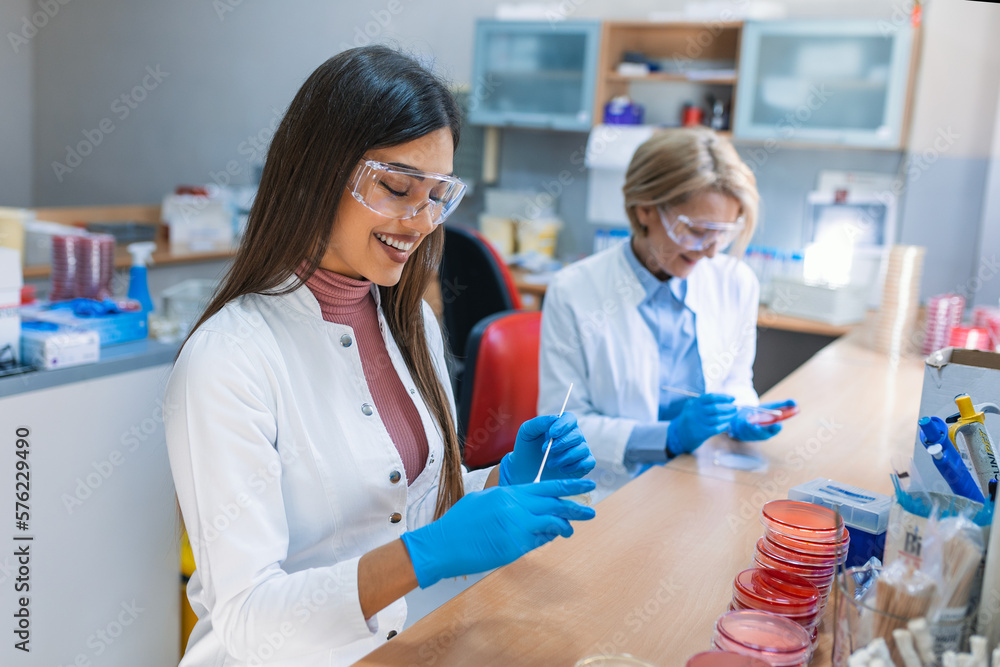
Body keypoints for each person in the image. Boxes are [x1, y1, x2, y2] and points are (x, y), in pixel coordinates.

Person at [165, 46, 596, 666]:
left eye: (438, 194)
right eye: (397, 188)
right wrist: (424, 557)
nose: (421, 222)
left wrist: (498, 483)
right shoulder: (227, 360)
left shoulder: (408, 321)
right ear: (315, 175)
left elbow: (401, 512)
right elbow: (248, 621)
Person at [538, 127, 794, 499]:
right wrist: (666, 437)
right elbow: (560, 426)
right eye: (695, 230)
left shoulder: (736, 281)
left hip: (702, 479)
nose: (709, 251)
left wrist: (741, 415)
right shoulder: (574, 291)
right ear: (645, 208)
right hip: (609, 491)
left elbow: (736, 380)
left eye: (721, 233)